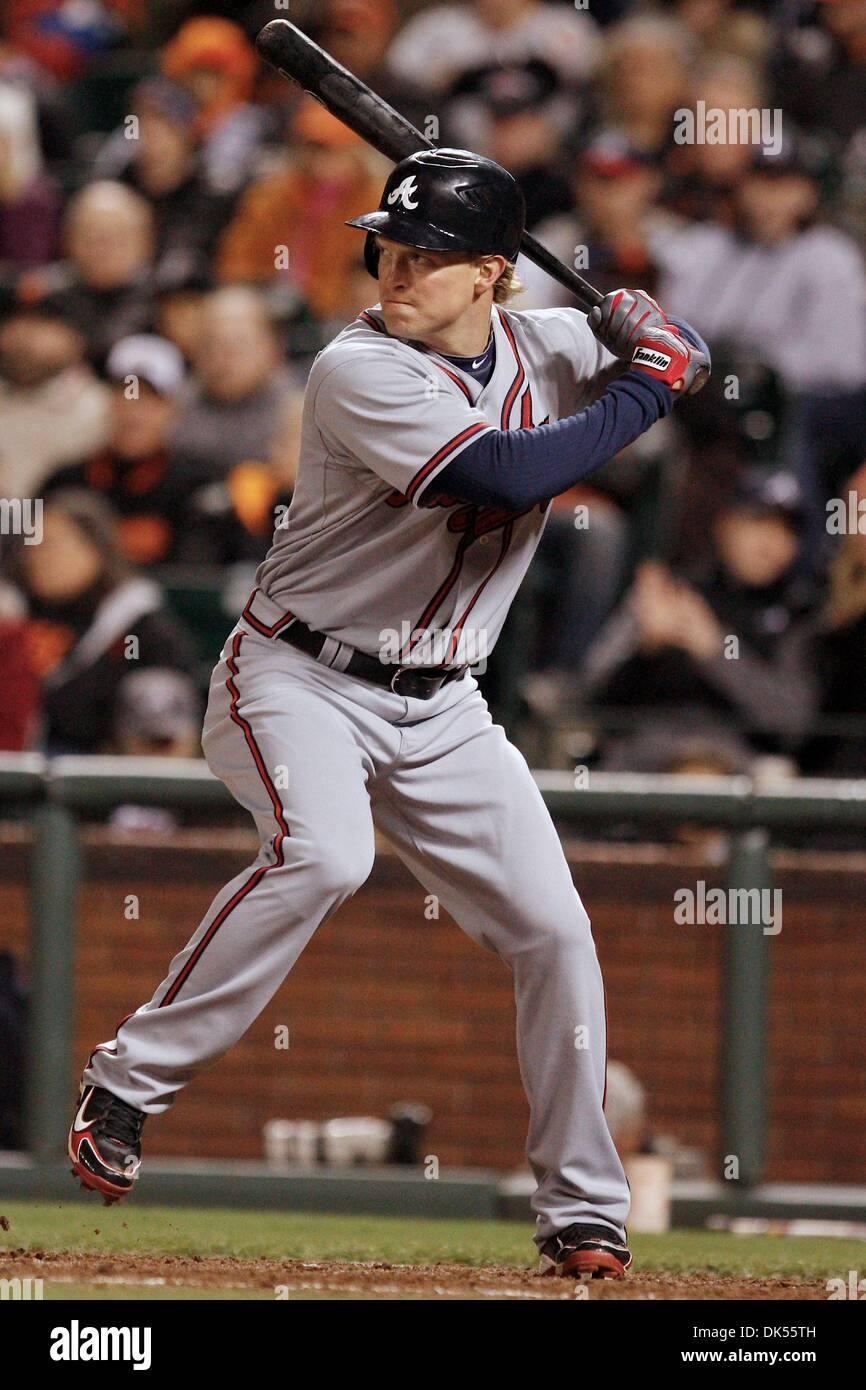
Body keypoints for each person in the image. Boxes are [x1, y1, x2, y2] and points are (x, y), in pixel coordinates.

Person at [68, 147, 709, 1282]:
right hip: (296, 675)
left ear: (492, 276)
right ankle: (127, 1080)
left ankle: (581, 1206)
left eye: (428, 257)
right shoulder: (354, 367)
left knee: (555, 932)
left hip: (444, 703)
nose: (397, 272)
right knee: (324, 856)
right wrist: (646, 382)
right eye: (391, 250)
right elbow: (506, 478)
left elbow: (700, 359)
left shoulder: (551, 345)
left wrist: (656, 331)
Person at [4, 490, 198, 753]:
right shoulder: (16, 617)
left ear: (95, 549)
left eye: (50, 545)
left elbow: (169, 741)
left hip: (99, 772)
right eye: (30, 546)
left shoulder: (139, 626)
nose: (36, 557)